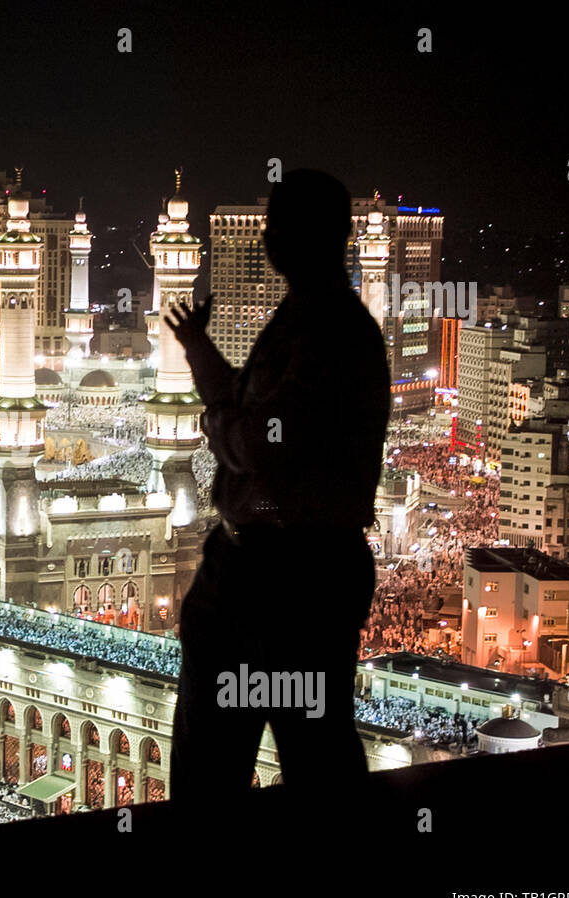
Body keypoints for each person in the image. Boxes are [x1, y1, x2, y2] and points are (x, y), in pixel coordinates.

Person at [164, 169, 390, 803]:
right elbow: (246, 405)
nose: (267, 239)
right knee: (300, 750)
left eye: (278, 227)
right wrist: (198, 348)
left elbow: (264, 444)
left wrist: (217, 425)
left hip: (287, 580)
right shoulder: (299, 324)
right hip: (270, 571)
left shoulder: (333, 336)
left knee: (258, 762)